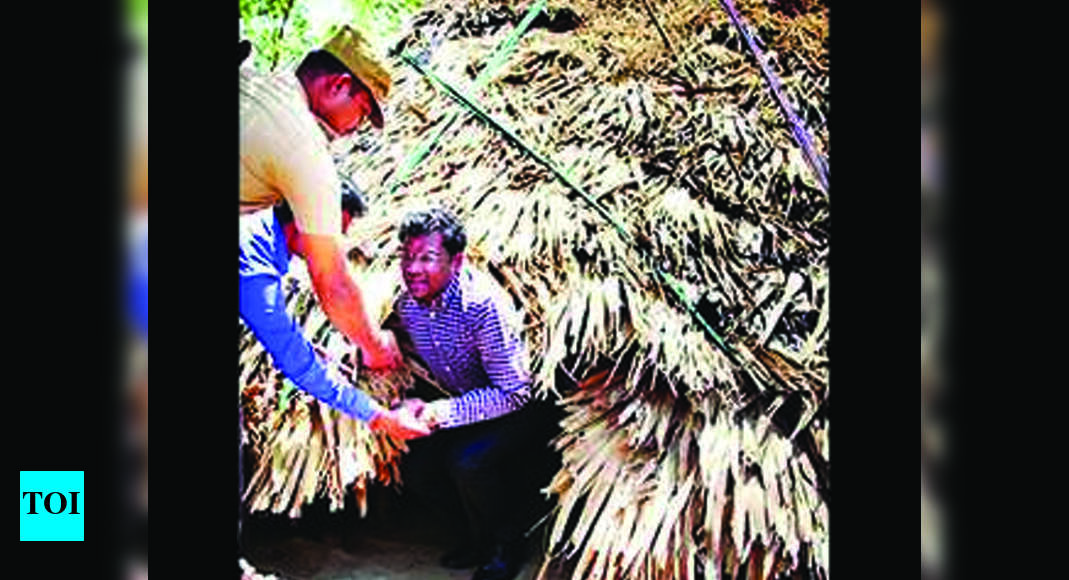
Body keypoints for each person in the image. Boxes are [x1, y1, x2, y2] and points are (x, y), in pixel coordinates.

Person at [389, 208, 558, 580]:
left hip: (516, 406)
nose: (413, 268)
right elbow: (387, 334)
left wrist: (441, 412)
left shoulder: (482, 306)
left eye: (427, 258)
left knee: (469, 461)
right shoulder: (408, 304)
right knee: (417, 468)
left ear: (457, 260)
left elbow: (515, 392)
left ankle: (505, 545)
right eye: (407, 257)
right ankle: (474, 535)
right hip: (464, 401)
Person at [240, 24, 399, 369]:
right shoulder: (306, 150)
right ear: (339, 84)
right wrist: (375, 346)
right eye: (362, 112)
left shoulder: (253, 82)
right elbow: (333, 283)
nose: (356, 128)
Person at [239, 186, 430, 440]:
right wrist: (380, 416)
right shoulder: (254, 269)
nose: (338, 243)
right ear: (304, 219)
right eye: (335, 232)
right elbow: (299, 364)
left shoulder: (254, 227)